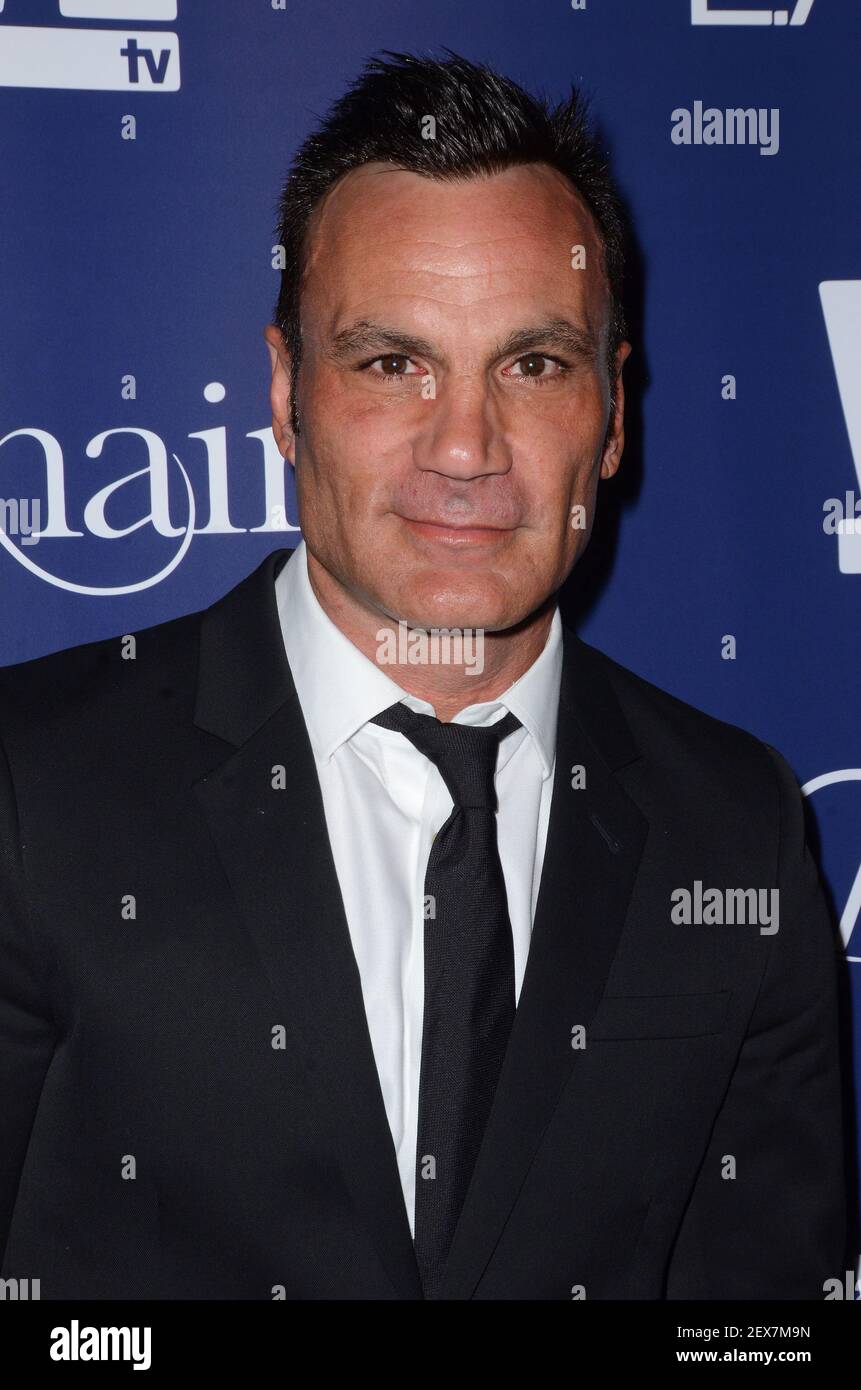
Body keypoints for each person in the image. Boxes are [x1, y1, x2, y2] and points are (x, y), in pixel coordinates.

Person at [0, 50, 845, 1300]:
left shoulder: (737, 826)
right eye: (394, 363)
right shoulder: (31, 787)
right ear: (286, 396)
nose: (466, 447)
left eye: (534, 364)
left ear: (612, 415)